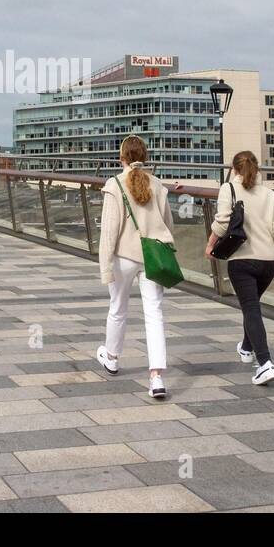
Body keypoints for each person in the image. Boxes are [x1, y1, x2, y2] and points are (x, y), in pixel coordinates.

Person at [206, 150, 274, 386]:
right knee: (250, 306)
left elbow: (222, 222)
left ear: (234, 169)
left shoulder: (228, 189)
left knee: (251, 309)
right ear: (257, 169)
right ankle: (245, 348)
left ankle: (265, 363)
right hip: (269, 263)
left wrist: (210, 244)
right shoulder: (269, 193)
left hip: (241, 261)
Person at [96, 135, 173, 400]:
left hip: (124, 257)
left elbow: (109, 232)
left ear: (122, 157)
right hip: (153, 257)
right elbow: (168, 225)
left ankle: (113, 357)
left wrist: (105, 267)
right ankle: (156, 377)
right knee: (154, 314)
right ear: (145, 156)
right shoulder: (158, 185)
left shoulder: (114, 184)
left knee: (117, 309)